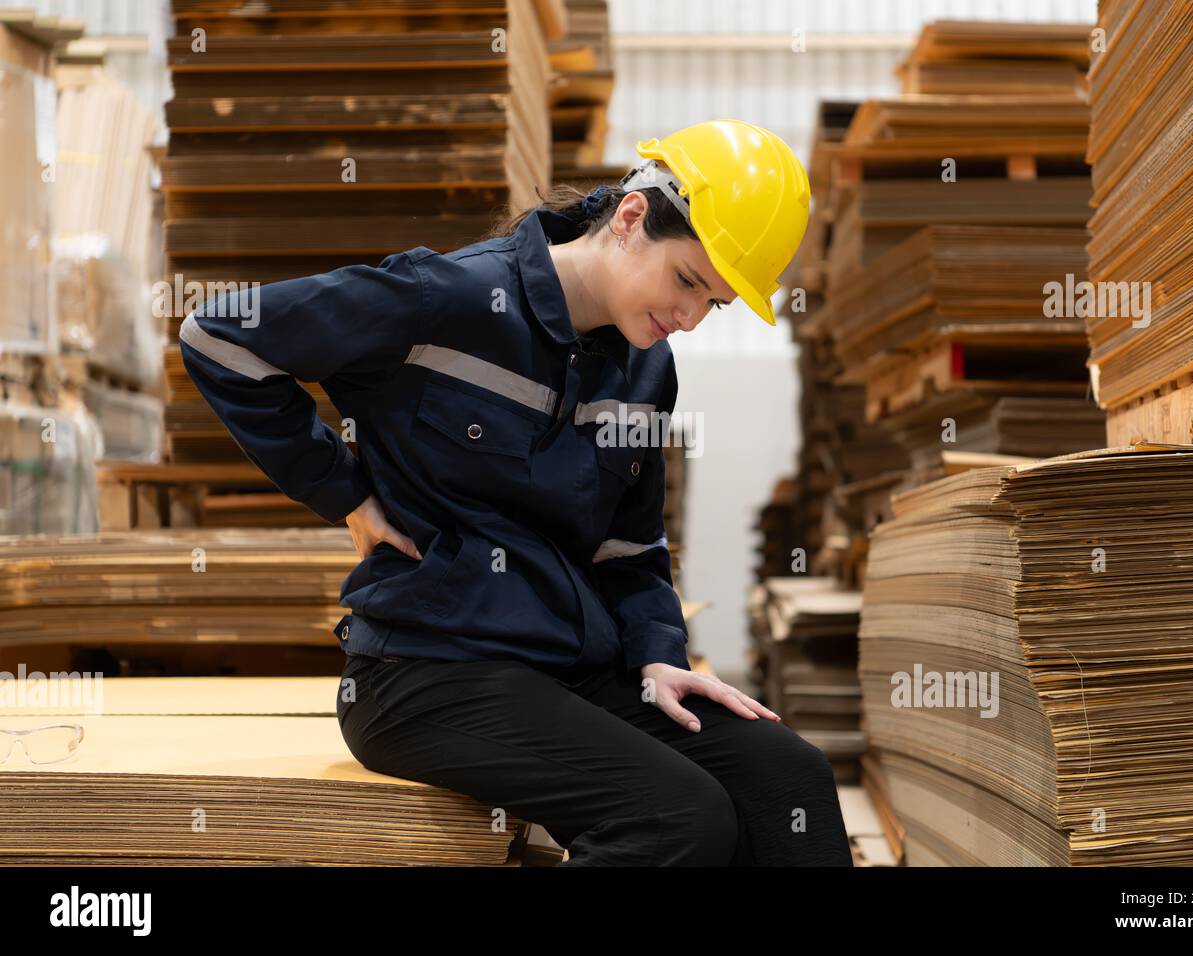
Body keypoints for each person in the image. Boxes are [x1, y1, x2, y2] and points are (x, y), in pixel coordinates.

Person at [179, 119, 854, 866]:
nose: (689, 318)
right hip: (426, 673)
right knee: (677, 819)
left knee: (791, 780)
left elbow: (631, 546)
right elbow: (218, 335)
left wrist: (662, 655)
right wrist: (341, 492)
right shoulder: (447, 298)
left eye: (714, 305)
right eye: (688, 281)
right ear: (631, 220)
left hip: (566, 671)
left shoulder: (644, 372)